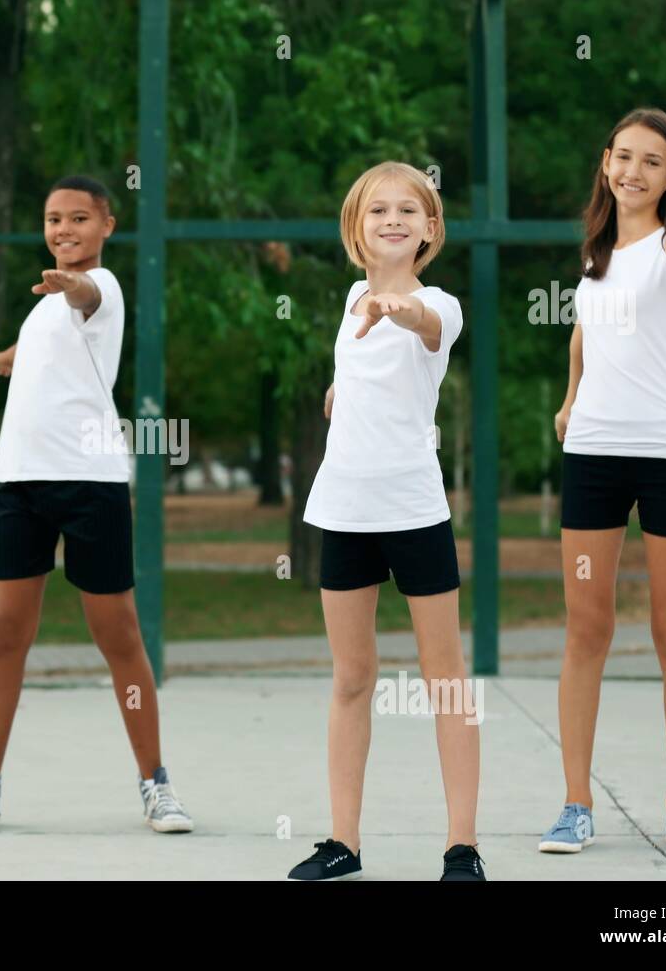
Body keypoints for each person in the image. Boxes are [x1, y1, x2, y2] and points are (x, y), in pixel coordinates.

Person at [0, 175, 192, 835]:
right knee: (5, 638)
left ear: (108, 225)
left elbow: (82, 298)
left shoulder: (98, 288)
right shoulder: (43, 309)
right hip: (21, 486)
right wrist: (12, 355)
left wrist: (69, 285)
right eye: (53, 218)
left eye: (79, 218)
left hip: (91, 485)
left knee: (119, 636)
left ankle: (156, 783)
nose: (63, 230)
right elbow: (54, 342)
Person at [288, 162, 483, 881]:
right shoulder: (349, 299)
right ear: (357, 228)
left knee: (447, 680)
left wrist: (404, 311)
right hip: (344, 509)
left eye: (410, 210)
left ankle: (461, 848)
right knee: (351, 679)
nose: (394, 219)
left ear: (430, 229)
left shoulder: (442, 304)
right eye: (379, 211)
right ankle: (344, 843)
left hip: (414, 512)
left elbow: (426, 329)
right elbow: (367, 371)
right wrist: (344, 387)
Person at [542, 108, 666, 855]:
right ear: (606, 163)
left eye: (652, 161)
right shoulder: (594, 257)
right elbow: (587, 328)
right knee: (587, 629)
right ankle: (575, 804)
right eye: (623, 157)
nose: (633, 172)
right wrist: (569, 398)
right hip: (593, 457)